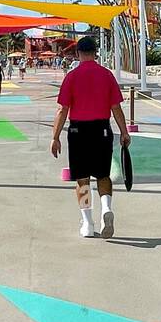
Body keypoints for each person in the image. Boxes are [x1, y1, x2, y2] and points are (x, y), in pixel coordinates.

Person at [50, 36, 130, 238]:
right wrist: (125, 132)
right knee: (103, 175)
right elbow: (116, 108)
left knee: (82, 179)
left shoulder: (72, 76)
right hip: (101, 130)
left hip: (78, 132)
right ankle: (106, 209)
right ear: (96, 53)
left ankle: (87, 224)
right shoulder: (106, 75)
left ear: (78, 53)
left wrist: (55, 136)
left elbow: (62, 110)